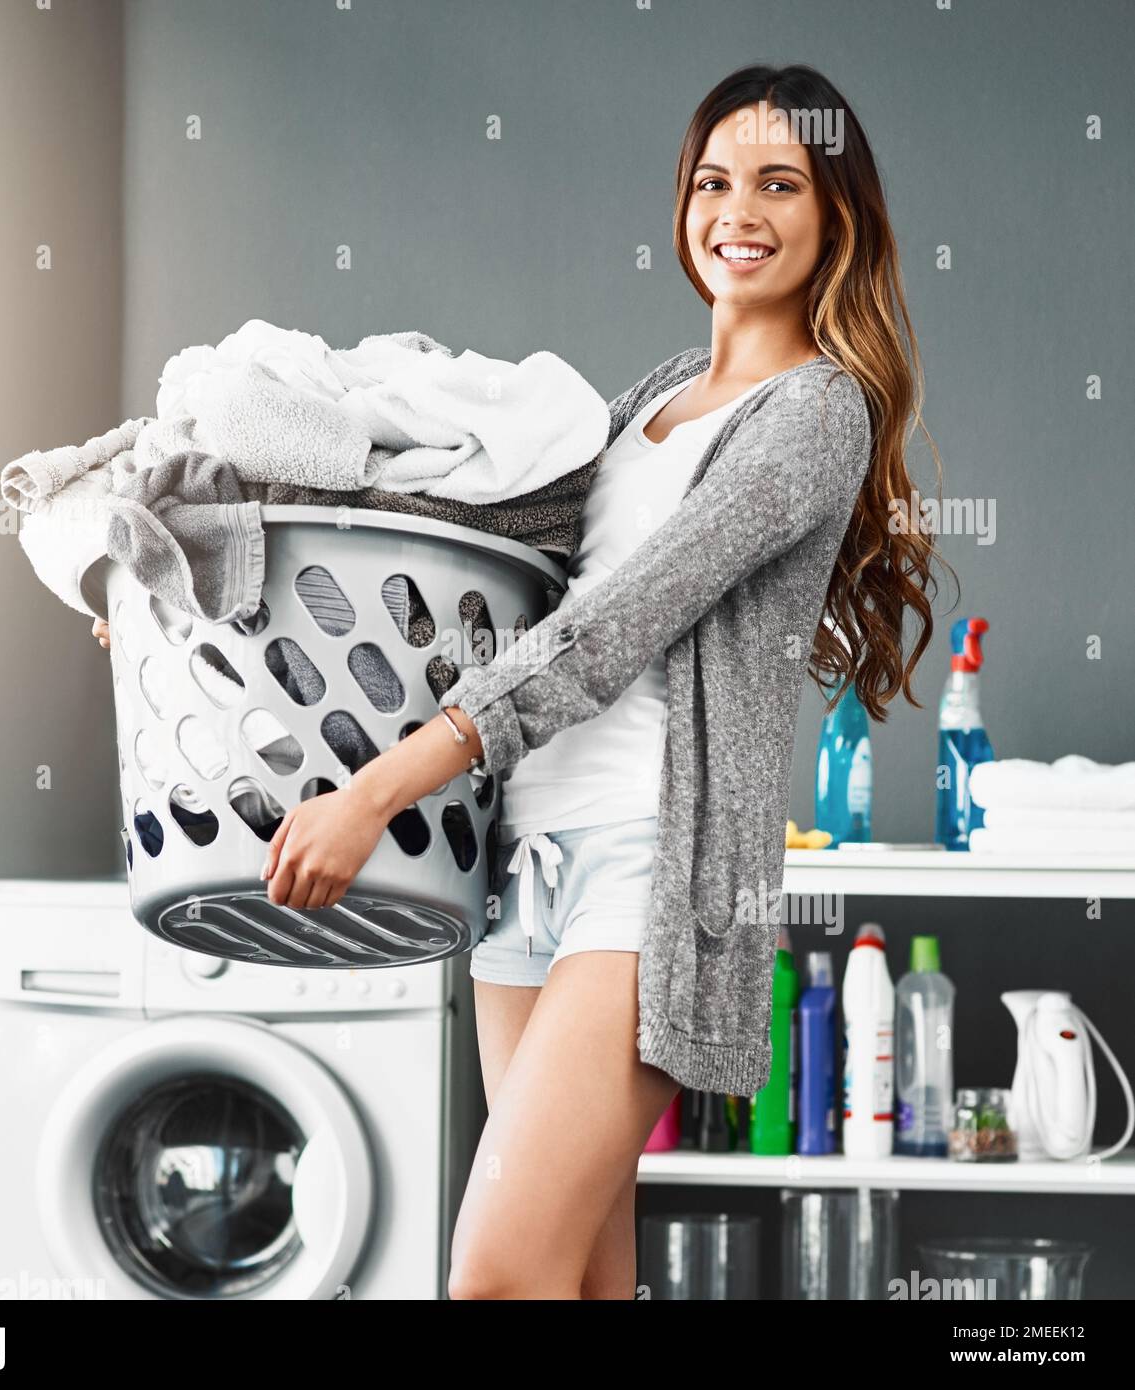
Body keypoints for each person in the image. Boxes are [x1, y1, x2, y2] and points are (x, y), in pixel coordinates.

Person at [93, 64, 946, 1300]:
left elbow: (607, 629)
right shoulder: (653, 397)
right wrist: (182, 607)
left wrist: (375, 792)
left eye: (779, 183)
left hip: (656, 867)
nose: (737, 211)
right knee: (582, 1281)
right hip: (522, 861)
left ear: (837, 217)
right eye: (714, 181)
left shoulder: (817, 415)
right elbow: (464, 556)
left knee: (492, 1274)